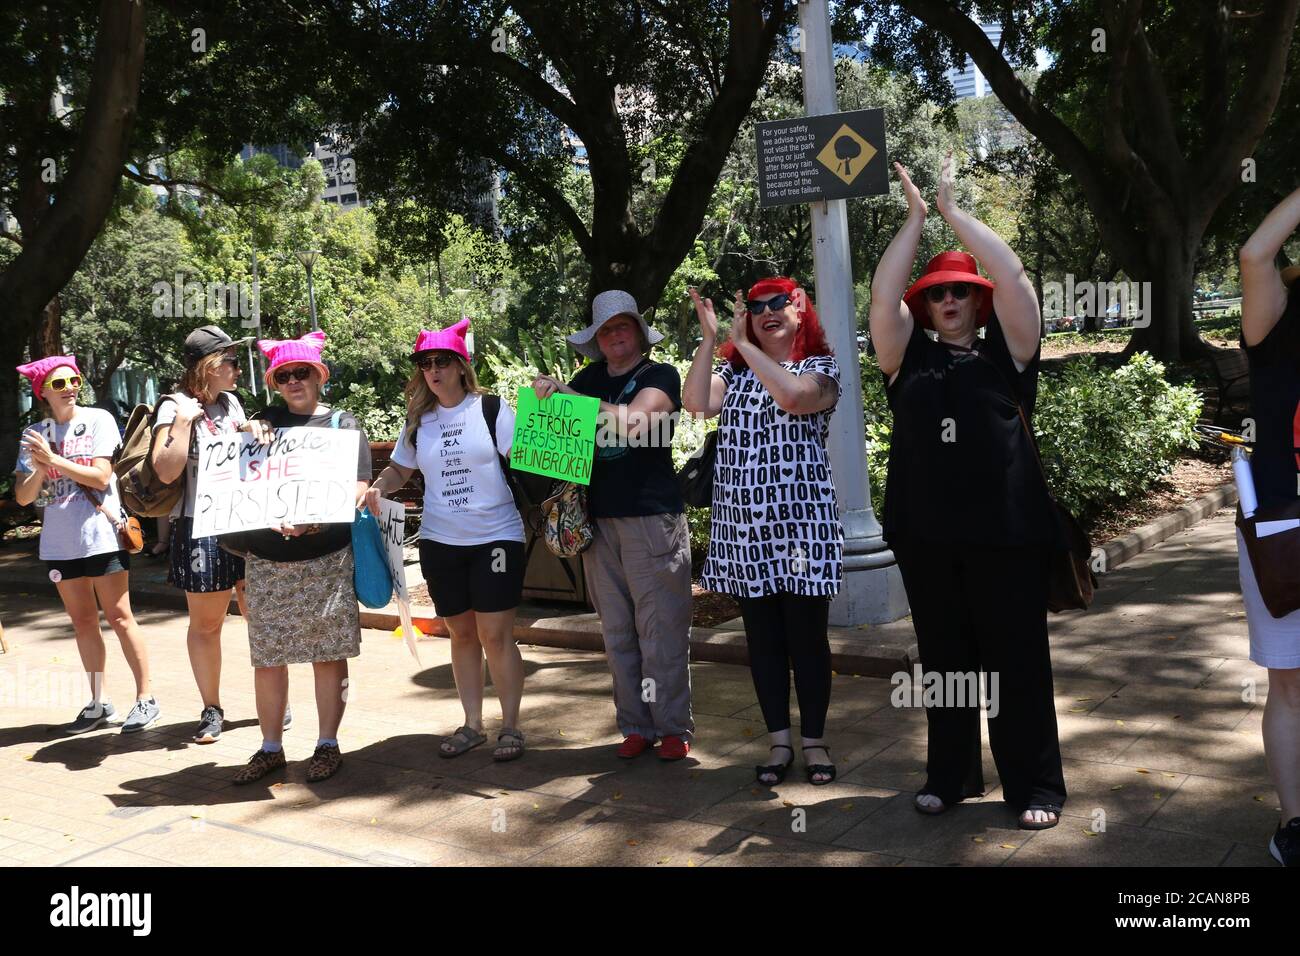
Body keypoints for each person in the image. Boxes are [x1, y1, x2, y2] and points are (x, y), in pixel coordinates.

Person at [867, 154, 1066, 829]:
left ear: (977, 301)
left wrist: (952, 213)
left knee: (1016, 665)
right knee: (947, 663)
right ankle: (951, 777)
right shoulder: (907, 357)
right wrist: (916, 218)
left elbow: (1012, 276)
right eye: (936, 294)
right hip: (927, 537)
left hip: (1008, 536)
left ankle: (1036, 785)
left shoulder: (1008, 350)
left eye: (959, 292)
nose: (948, 301)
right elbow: (881, 297)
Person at [684, 278, 843, 785]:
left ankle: (814, 742)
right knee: (764, 642)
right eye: (756, 306)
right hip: (745, 530)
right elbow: (694, 401)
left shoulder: (820, 368)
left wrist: (746, 345)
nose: (768, 311)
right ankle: (779, 742)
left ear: (801, 311)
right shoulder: (735, 372)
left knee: (807, 640)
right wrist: (713, 340)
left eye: (780, 302)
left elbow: (795, 398)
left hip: (802, 528)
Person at [532, 291, 695, 761]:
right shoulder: (587, 380)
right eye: (606, 329)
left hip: (651, 519)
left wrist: (572, 400)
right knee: (618, 631)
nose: (615, 334)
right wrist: (541, 416)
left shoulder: (660, 375)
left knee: (660, 628)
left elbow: (639, 425)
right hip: (598, 524)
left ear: (640, 333)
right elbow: (556, 454)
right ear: (596, 340)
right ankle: (635, 726)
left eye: (623, 325)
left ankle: (672, 729)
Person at [367, 318, 528, 762]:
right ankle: (472, 724)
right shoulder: (419, 422)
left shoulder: (493, 410)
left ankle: (511, 726)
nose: (432, 370)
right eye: (425, 363)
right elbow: (400, 468)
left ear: (461, 365)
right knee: (460, 634)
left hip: (496, 537)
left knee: (495, 634)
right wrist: (380, 485)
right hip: (441, 542)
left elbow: (530, 458)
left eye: (441, 361)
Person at [228, 331, 369, 785]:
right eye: (283, 375)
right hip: (267, 560)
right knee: (268, 656)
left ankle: (327, 744)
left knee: (328, 655)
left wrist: (317, 522)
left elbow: (359, 489)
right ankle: (271, 747)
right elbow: (233, 472)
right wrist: (246, 432)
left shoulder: (343, 425)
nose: (293, 381)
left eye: (301, 372)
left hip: (326, 558)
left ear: (319, 376)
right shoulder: (262, 422)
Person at [150, 325, 284, 744]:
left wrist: (252, 433)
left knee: (257, 613)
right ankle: (211, 708)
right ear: (207, 366)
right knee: (207, 624)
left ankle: (273, 699)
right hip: (199, 527)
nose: (237, 367)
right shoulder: (174, 406)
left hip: (244, 522)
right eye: (228, 360)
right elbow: (165, 470)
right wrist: (183, 424)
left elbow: (247, 460)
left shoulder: (232, 403)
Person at [13, 356, 160, 734]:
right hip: (59, 544)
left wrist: (55, 458)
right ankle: (99, 702)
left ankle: (146, 699)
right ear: (43, 392)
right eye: (59, 384)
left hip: (101, 536)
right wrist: (41, 468)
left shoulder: (97, 420)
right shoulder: (34, 433)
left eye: (74, 380)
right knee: (81, 622)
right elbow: (25, 497)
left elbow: (100, 476)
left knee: (119, 616)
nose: (70, 388)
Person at [1237, 183, 1300, 867]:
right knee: (1291, 681)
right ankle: (1294, 823)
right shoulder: (1279, 321)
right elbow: (1255, 252)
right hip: (1287, 528)